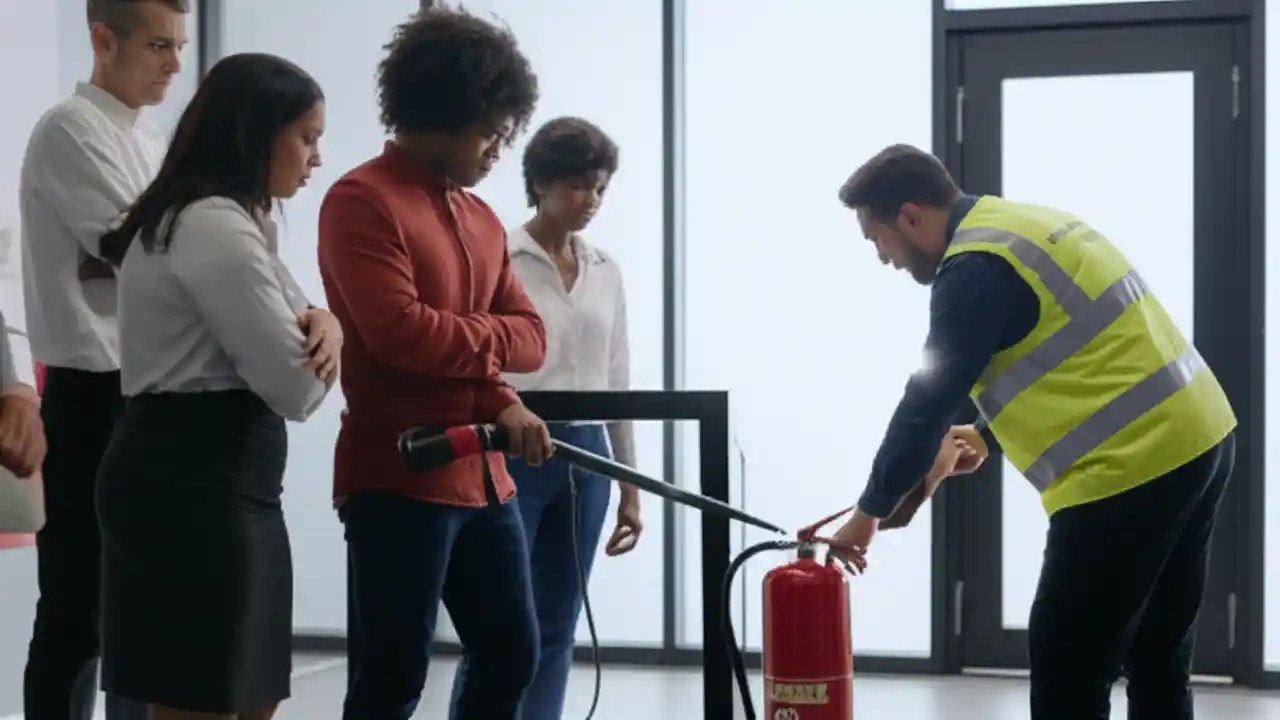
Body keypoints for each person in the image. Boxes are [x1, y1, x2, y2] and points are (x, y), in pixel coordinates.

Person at [828, 144, 1237, 720]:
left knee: (1069, 666)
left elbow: (926, 402)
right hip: (1200, 438)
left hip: (1132, 465)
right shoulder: (1020, 225)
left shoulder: (971, 271)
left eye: (878, 241)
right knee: (1157, 653)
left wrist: (869, 513)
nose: (884, 259)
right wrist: (983, 431)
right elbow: (1065, 346)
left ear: (911, 216)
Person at [316, 7, 551, 720]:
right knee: (391, 680)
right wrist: (491, 351)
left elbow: (534, 336)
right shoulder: (360, 201)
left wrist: (494, 385)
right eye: (490, 131)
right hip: (399, 476)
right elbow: (398, 335)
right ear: (446, 112)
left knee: (513, 655)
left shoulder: (481, 218)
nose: (497, 151)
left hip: (486, 480)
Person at [94, 52, 339, 720]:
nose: (316, 157)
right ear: (257, 133)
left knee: (249, 697)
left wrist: (330, 325)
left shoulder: (237, 219)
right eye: (307, 137)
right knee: (201, 702)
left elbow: (309, 319)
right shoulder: (210, 224)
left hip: (232, 486)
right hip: (190, 488)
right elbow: (296, 384)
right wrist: (328, 336)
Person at [18, 1, 188, 717]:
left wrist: (146, 261)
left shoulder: (146, 138)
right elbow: (149, 252)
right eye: (157, 45)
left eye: (178, 45)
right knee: (78, 613)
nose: (175, 65)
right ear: (100, 39)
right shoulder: (70, 129)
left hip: (149, 391)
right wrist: (146, 261)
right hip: (91, 395)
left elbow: (162, 252)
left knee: (140, 612)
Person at [447, 116, 643, 720]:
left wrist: (631, 485)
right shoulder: (498, 254)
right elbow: (477, 354)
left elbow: (618, 378)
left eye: (601, 187)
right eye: (579, 185)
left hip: (589, 456)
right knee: (504, 625)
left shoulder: (606, 269)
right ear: (541, 182)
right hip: (514, 446)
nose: (591, 200)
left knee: (558, 621)